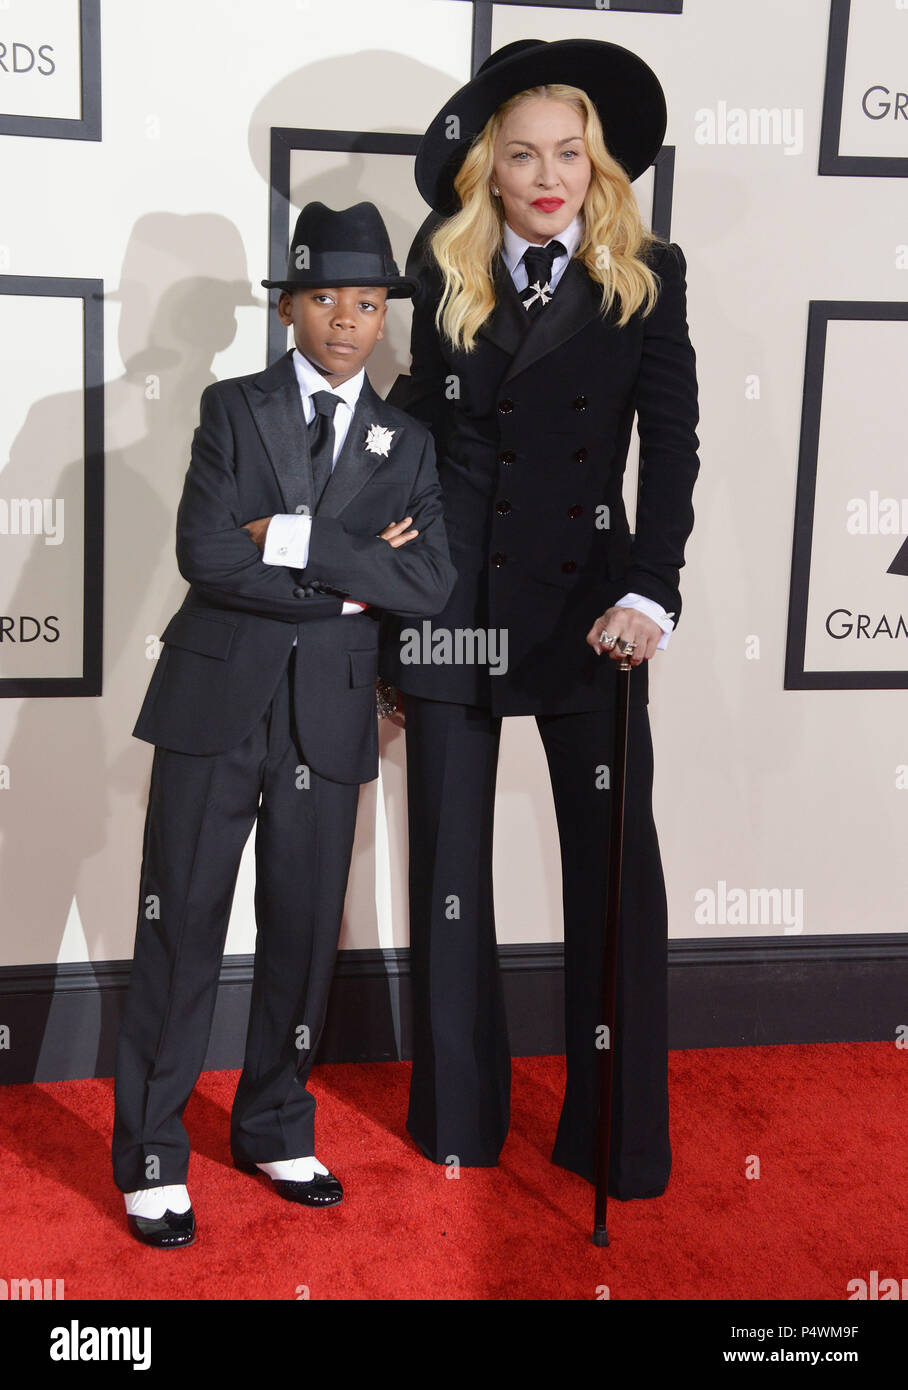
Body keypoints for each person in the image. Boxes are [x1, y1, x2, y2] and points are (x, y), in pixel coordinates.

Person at [381, 39, 700, 1199]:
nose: (548, 173)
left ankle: (617, 1135)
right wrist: (378, 574)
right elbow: (423, 427)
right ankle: (459, 1115)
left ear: (596, 163)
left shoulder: (645, 268)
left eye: (568, 151)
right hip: (455, 609)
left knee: (616, 876)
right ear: (490, 170)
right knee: (448, 873)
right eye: (522, 154)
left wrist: (648, 589)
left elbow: (669, 446)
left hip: (587, 611)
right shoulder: (444, 263)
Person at [111, 200, 456, 1247]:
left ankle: (272, 1122)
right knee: (183, 930)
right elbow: (204, 555)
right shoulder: (232, 408)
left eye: (365, 302)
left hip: (331, 714)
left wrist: (293, 537)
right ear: (289, 307)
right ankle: (153, 1155)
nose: (345, 321)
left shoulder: (409, 439)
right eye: (323, 299)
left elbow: (429, 582)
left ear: (384, 312)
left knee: (303, 933)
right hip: (213, 705)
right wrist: (355, 569)